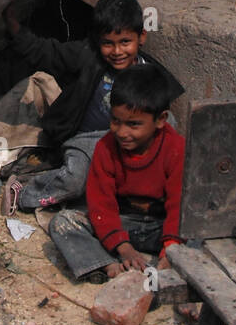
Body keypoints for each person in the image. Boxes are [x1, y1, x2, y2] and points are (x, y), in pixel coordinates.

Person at [3, 0, 182, 212]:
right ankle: (27, 193)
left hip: (130, 146)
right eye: (108, 43)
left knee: (170, 124)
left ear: (141, 37)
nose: (117, 51)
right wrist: (15, 29)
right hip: (87, 143)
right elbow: (48, 52)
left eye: (125, 42)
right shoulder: (87, 56)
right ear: (98, 41)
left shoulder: (151, 74)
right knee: (75, 179)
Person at [48, 63, 184, 282]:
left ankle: (171, 267)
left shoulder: (176, 148)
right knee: (63, 222)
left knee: (201, 236)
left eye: (134, 124)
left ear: (161, 119)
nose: (122, 132)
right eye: (115, 121)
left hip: (160, 227)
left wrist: (171, 247)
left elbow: (178, 205)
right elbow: (101, 205)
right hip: (123, 223)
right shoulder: (105, 148)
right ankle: (107, 264)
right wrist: (123, 247)